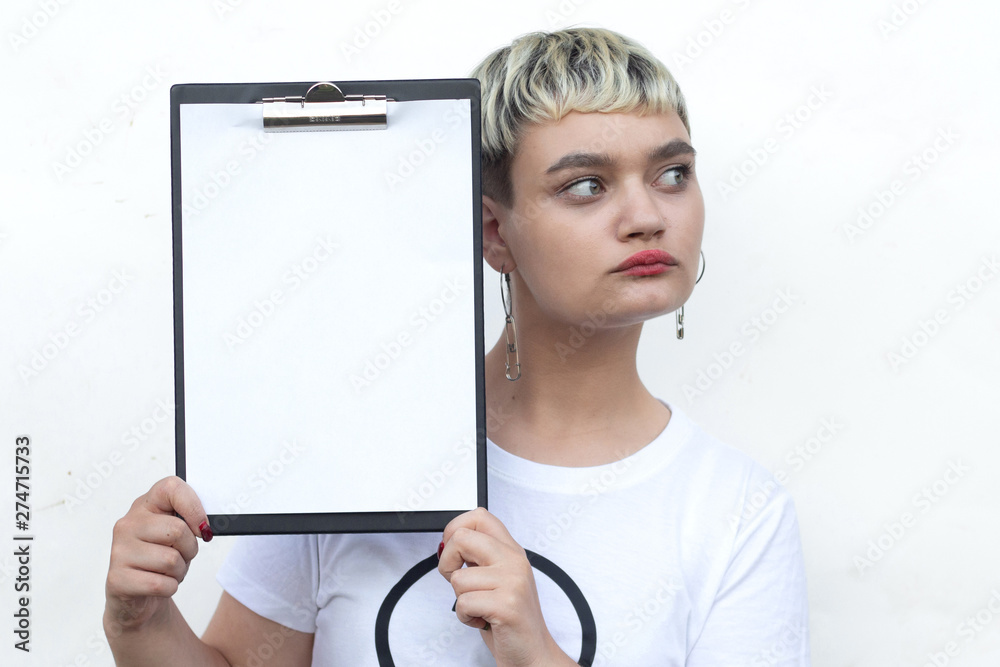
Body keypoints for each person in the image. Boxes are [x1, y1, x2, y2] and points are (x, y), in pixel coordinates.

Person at [104, 27, 811, 666]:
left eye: (672, 174)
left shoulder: (736, 512)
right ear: (493, 231)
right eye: (587, 185)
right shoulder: (342, 453)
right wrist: (141, 626)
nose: (647, 215)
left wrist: (537, 654)